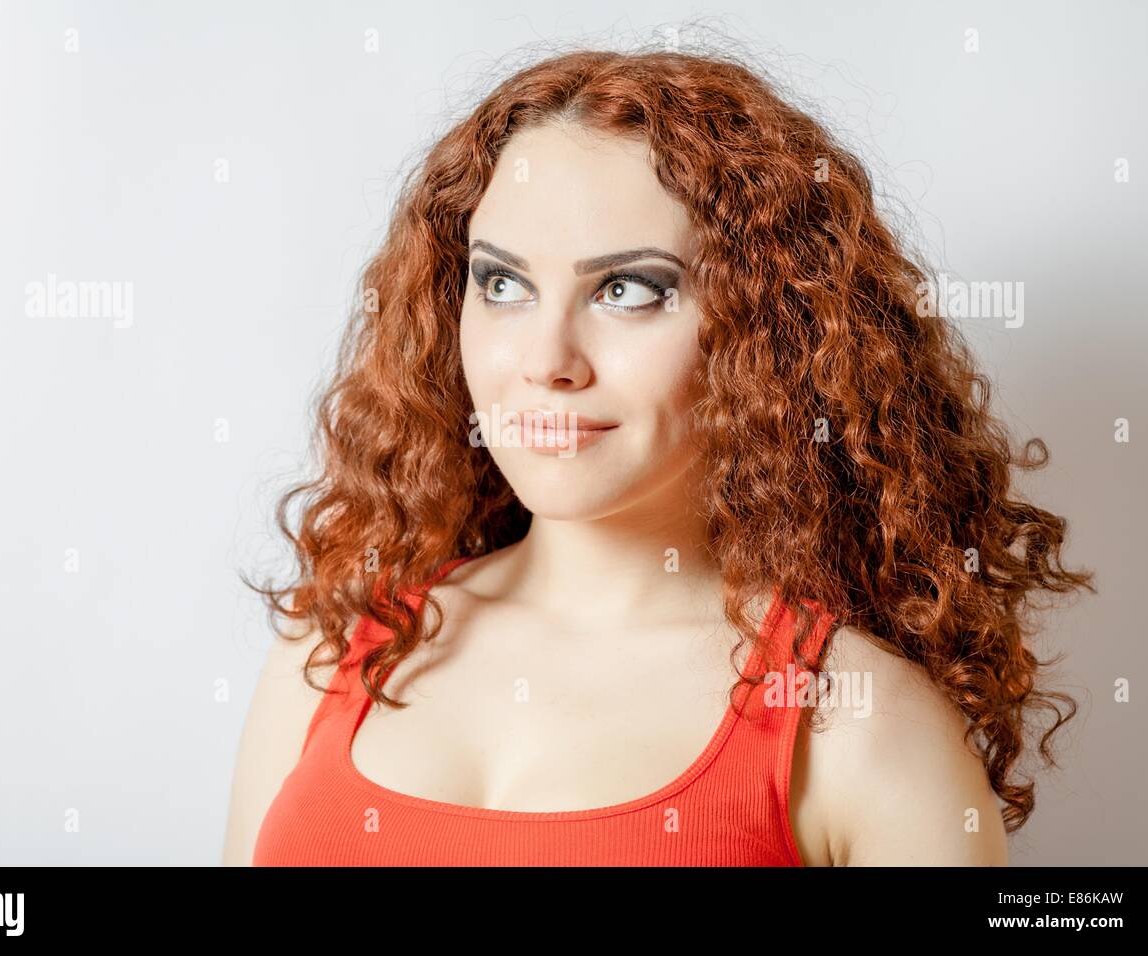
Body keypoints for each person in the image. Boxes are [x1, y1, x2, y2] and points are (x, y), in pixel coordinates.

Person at [222, 47, 1094, 866]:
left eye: (628, 290)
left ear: (766, 334)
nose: (546, 360)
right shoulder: (334, 643)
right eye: (503, 284)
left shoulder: (853, 723)